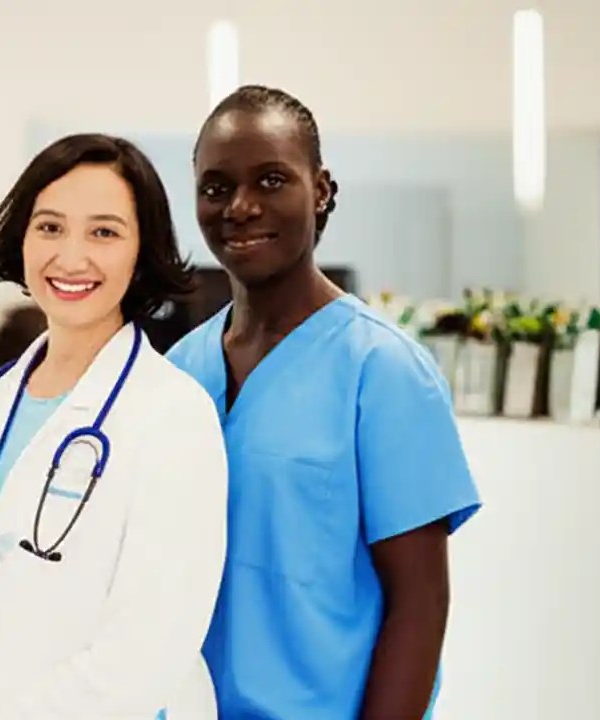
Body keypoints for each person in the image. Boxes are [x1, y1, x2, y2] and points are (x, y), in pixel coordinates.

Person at [166, 84, 483, 719]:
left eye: (272, 179)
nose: (242, 207)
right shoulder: (178, 374)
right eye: (217, 187)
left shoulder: (384, 371)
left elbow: (419, 605)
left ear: (322, 191)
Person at [0, 133, 227, 719]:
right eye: (50, 227)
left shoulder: (173, 415)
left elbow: (146, 651)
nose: (72, 256)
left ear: (142, 254)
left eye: (104, 232)